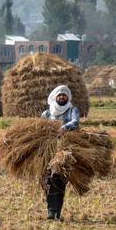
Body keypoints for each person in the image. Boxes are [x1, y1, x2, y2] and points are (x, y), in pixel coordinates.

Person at [39, 85, 80, 221]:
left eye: (64, 95)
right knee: (48, 180)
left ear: (68, 97)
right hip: (49, 150)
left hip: (66, 150)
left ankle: (56, 212)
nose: (62, 97)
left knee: (60, 180)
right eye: (60, 95)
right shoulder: (47, 113)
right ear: (55, 97)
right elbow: (39, 128)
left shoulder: (72, 110)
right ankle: (52, 210)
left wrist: (65, 127)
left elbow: (75, 122)